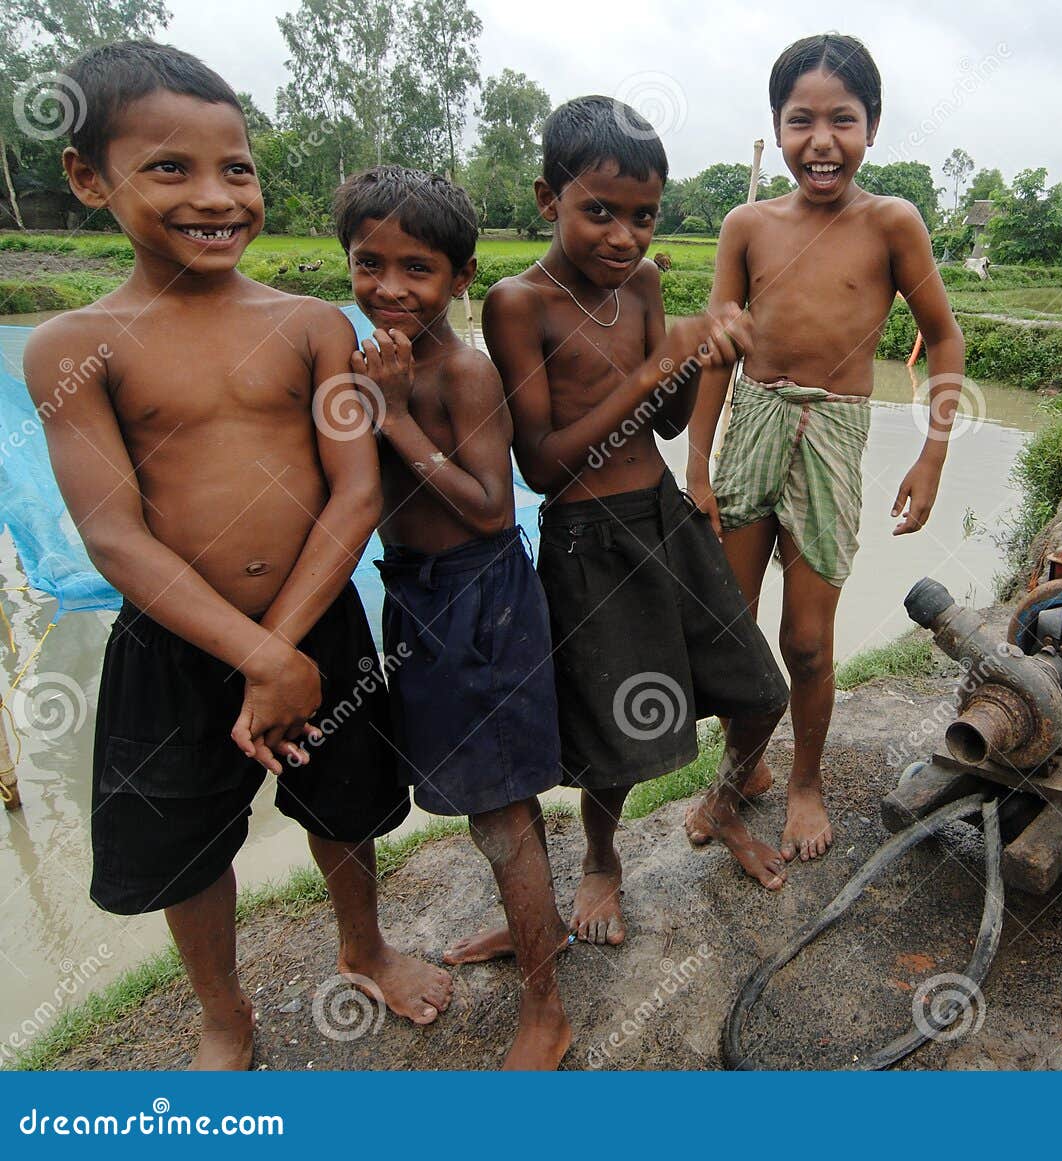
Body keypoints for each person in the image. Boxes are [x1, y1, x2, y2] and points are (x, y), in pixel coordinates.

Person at [24, 43, 451, 1070]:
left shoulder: (311, 326)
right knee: (181, 843)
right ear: (89, 177)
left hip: (317, 625)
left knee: (344, 805)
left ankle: (364, 946)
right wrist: (256, 659)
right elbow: (114, 531)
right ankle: (224, 1009)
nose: (217, 196)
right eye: (170, 168)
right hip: (174, 640)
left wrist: (287, 646)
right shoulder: (76, 346)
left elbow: (354, 490)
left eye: (239, 168)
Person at [443, 95, 790, 971]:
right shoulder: (518, 304)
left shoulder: (641, 286)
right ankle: (602, 857)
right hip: (587, 540)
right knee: (617, 732)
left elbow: (667, 421)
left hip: (664, 518)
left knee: (759, 687)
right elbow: (546, 467)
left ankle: (721, 806)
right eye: (599, 210)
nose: (625, 238)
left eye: (643, 218)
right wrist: (657, 365)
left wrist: (703, 358)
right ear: (546, 197)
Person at [684, 33, 965, 863]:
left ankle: (803, 780)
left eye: (842, 119)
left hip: (835, 432)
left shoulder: (892, 223)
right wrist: (696, 465)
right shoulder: (746, 225)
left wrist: (932, 456)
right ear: (777, 131)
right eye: (801, 120)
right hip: (752, 428)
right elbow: (716, 350)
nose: (822, 141)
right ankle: (742, 774)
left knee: (806, 639)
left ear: (871, 128)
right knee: (734, 633)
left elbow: (944, 339)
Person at [333, 165, 569, 1069]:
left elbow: (488, 506)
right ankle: (531, 928)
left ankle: (548, 1007)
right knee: (493, 794)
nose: (389, 288)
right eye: (368, 263)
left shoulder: (463, 372)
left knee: (498, 809)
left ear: (462, 276)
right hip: (418, 594)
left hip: (481, 598)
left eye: (417, 269)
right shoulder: (369, 360)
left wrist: (392, 417)